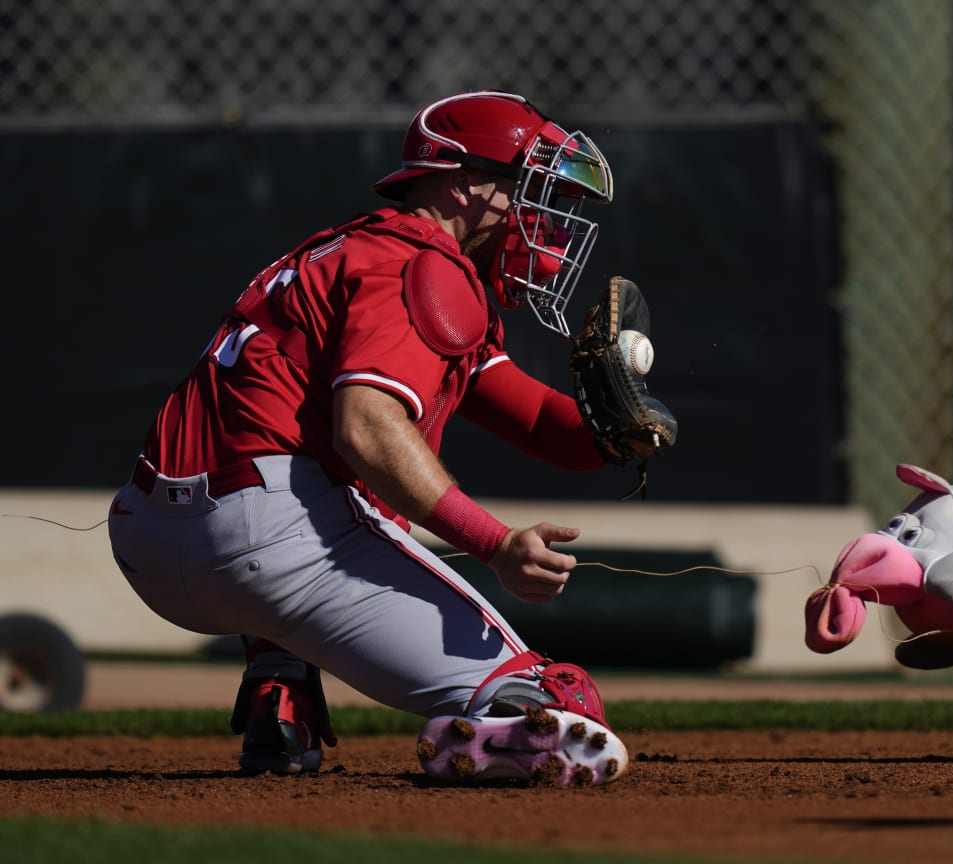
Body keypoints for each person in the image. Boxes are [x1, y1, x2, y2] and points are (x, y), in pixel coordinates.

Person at [106, 90, 665, 786]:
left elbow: (538, 425)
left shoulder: (355, 250)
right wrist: (494, 545)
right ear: (463, 185)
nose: (547, 221)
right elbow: (368, 429)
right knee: (559, 707)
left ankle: (281, 694)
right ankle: (486, 734)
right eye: (530, 188)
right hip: (270, 536)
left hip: (147, 537)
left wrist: (614, 430)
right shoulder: (428, 265)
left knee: (340, 502)